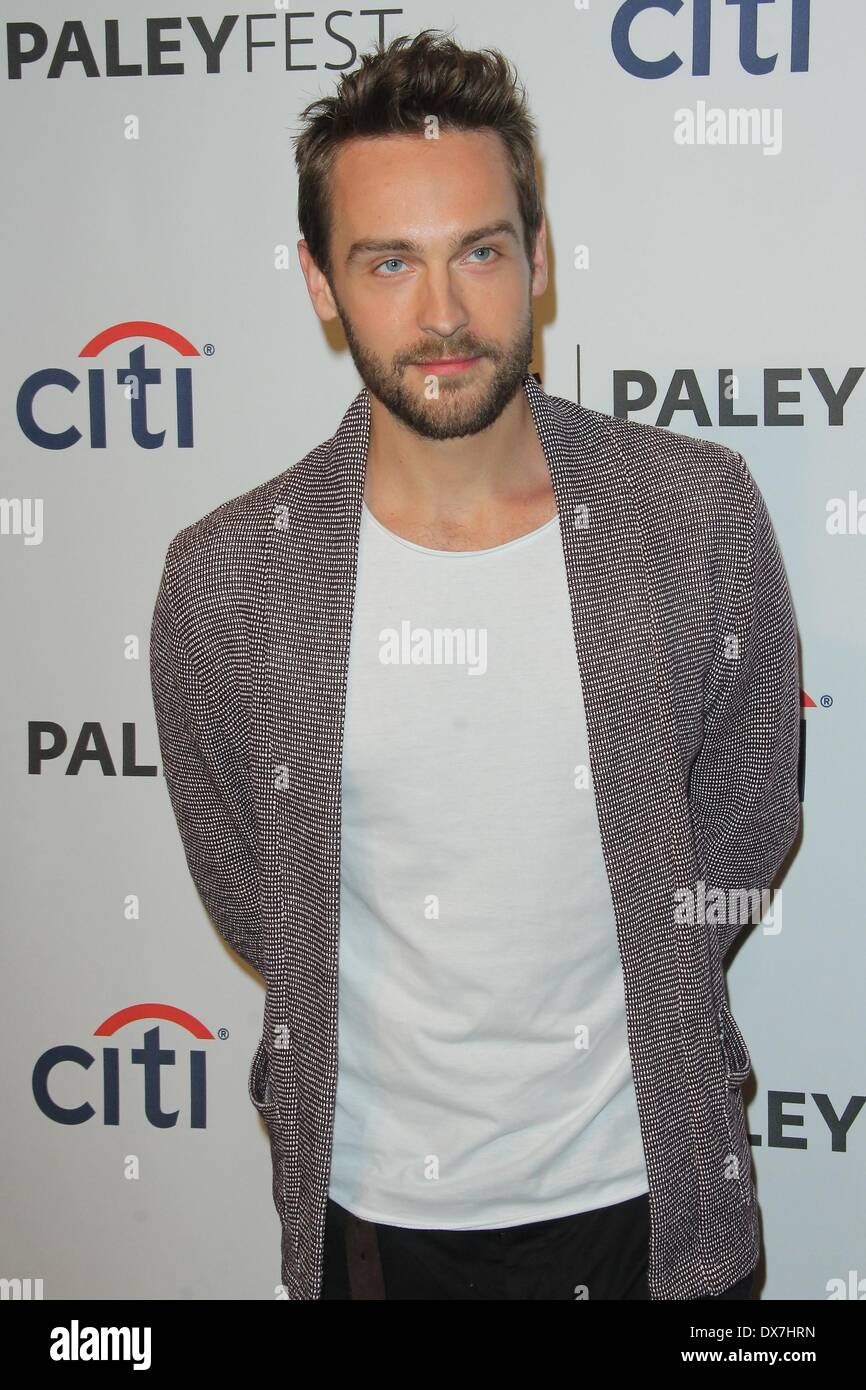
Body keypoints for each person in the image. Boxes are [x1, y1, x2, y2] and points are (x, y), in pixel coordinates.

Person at [150, 28, 801, 1301]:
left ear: (540, 258)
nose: (441, 314)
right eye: (389, 261)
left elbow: (746, 816)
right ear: (319, 284)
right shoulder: (226, 582)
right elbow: (251, 895)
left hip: (653, 1206)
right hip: (376, 1220)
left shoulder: (697, 516)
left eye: (479, 252)